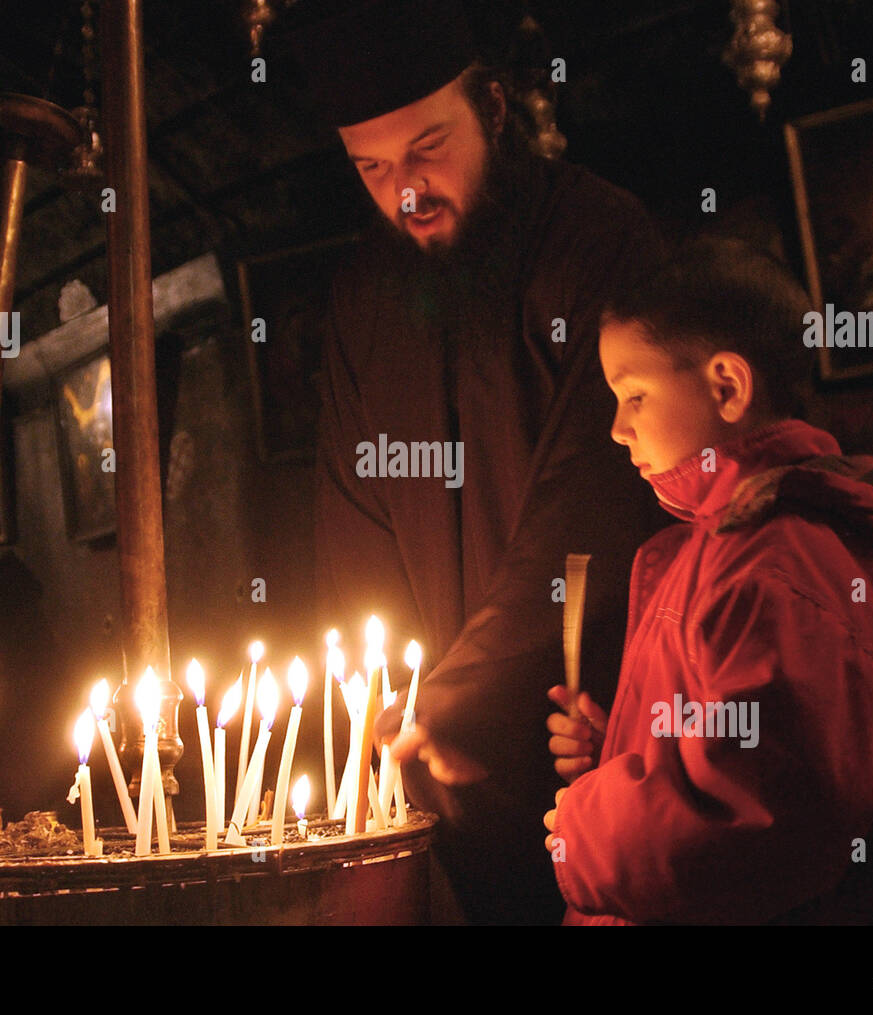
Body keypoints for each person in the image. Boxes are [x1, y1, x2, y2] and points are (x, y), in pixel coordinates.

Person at [279, 0, 665, 922]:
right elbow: (351, 514)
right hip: (435, 759)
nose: (403, 192)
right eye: (371, 168)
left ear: (493, 107)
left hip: (587, 733)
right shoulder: (365, 292)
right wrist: (388, 709)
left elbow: (591, 507)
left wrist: (459, 700)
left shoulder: (599, 238)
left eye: (426, 150)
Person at [544, 238, 873, 924]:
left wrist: (592, 825)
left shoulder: (781, 563)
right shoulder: (726, 543)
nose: (617, 428)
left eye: (634, 394)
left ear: (727, 385)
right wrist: (629, 748)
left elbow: (768, 810)